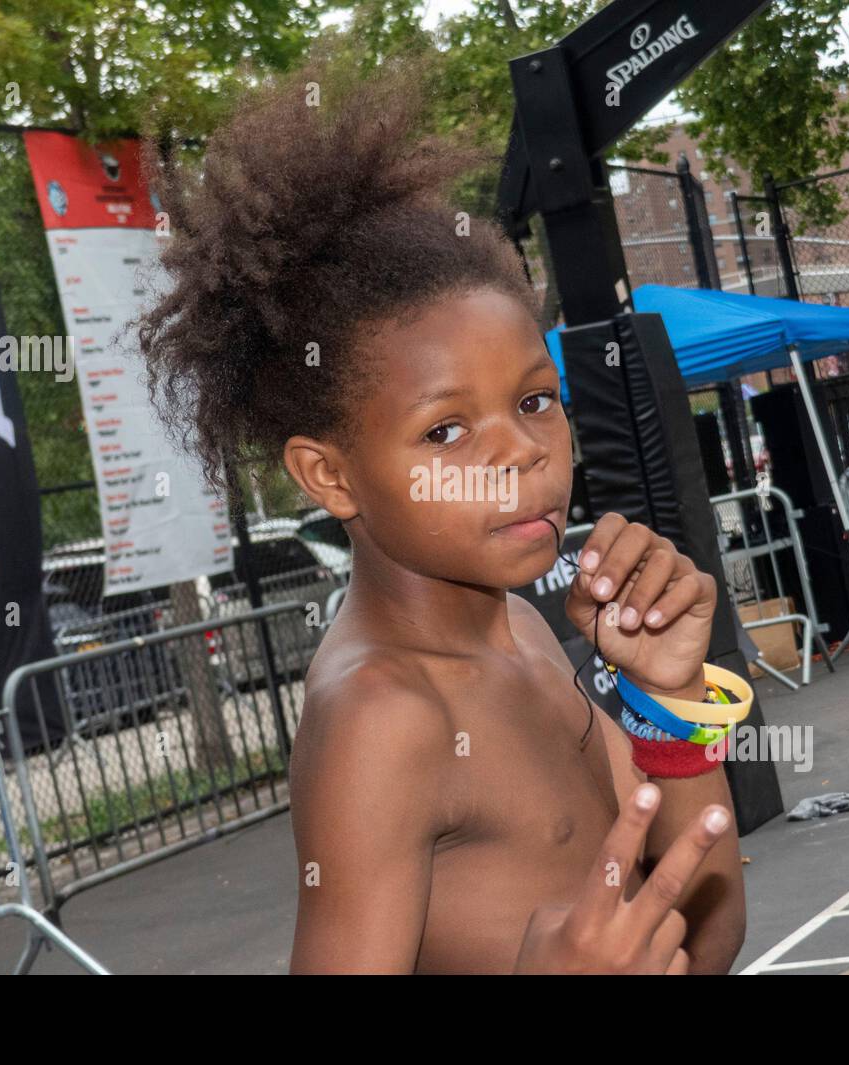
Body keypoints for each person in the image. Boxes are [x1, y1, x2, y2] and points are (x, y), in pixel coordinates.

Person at [136, 51, 745, 975]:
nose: (520, 452)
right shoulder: (383, 718)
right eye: (447, 429)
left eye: (536, 400)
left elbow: (704, 939)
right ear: (330, 477)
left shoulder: (529, 638)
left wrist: (672, 704)